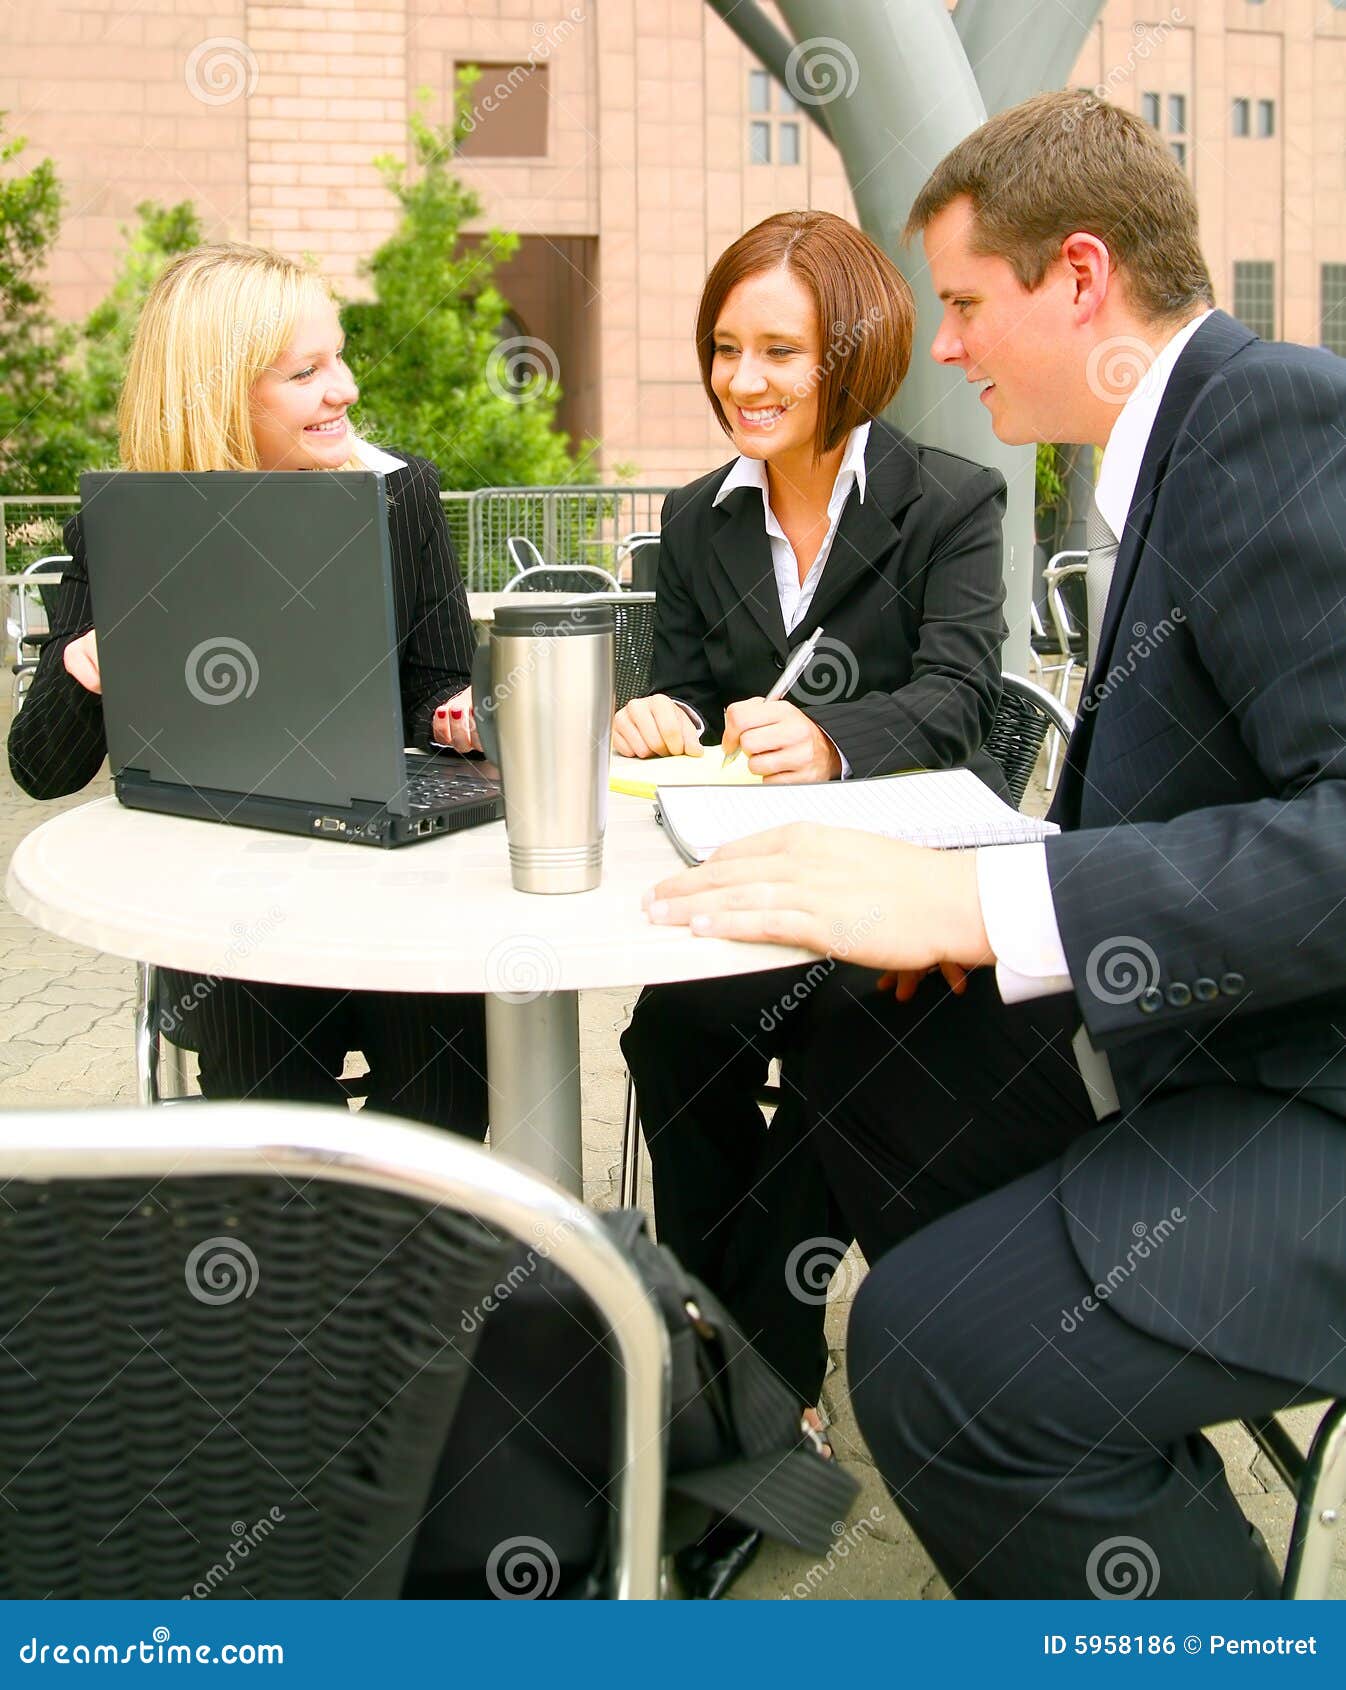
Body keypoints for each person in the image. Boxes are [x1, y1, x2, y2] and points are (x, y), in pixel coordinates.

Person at [643, 90, 1346, 1600]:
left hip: (1310, 1094)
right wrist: (964, 927)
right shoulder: (1166, 454)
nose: (941, 347)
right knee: (855, 1048)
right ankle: (832, 1421)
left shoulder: (1271, 417)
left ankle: (1096, 1488)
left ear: (1078, 278)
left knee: (938, 1356)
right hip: (1222, 1030)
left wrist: (985, 898)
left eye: (964, 303)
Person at [615, 210, 1008, 1596]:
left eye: (777, 348)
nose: (744, 379)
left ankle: (747, 1390)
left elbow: (964, 697)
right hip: (735, 889)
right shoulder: (689, 515)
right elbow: (666, 681)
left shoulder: (948, 500)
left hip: (878, 908)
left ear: (850, 351)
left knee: (847, 1053)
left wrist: (844, 737)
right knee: (666, 1043)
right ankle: (729, 1376)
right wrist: (653, 712)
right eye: (726, 349)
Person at [9, 243, 488, 1137]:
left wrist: (468, 717)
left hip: (385, 877)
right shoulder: (128, 526)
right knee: (268, 1117)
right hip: (221, 899)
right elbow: (39, 768)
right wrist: (93, 658)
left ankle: (417, 1275)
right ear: (219, 392)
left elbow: (439, 686)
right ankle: (296, 1270)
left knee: (446, 1095)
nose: (343, 387)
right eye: (306, 371)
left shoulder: (399, 493)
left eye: (337, 356)